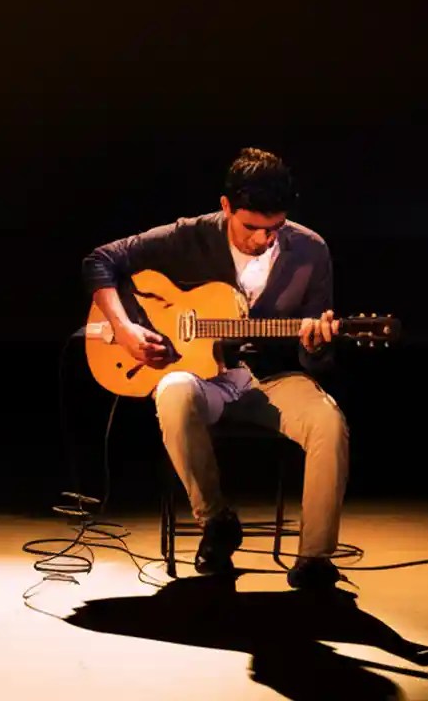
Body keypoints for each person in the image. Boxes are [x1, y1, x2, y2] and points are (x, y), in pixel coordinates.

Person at [82, 148, 349, 590]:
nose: (264, 240)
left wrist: (317, 345)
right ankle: (217, 522)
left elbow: (315, 360)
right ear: (226, 208)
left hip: (271, 379)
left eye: (275, 229)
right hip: (203, 378)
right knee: (172, 391)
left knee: (329, 421)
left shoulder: (311, 251)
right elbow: (100, 261)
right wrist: (125, 328)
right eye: (252, 228)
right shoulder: (190, 236)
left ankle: (316, 559)